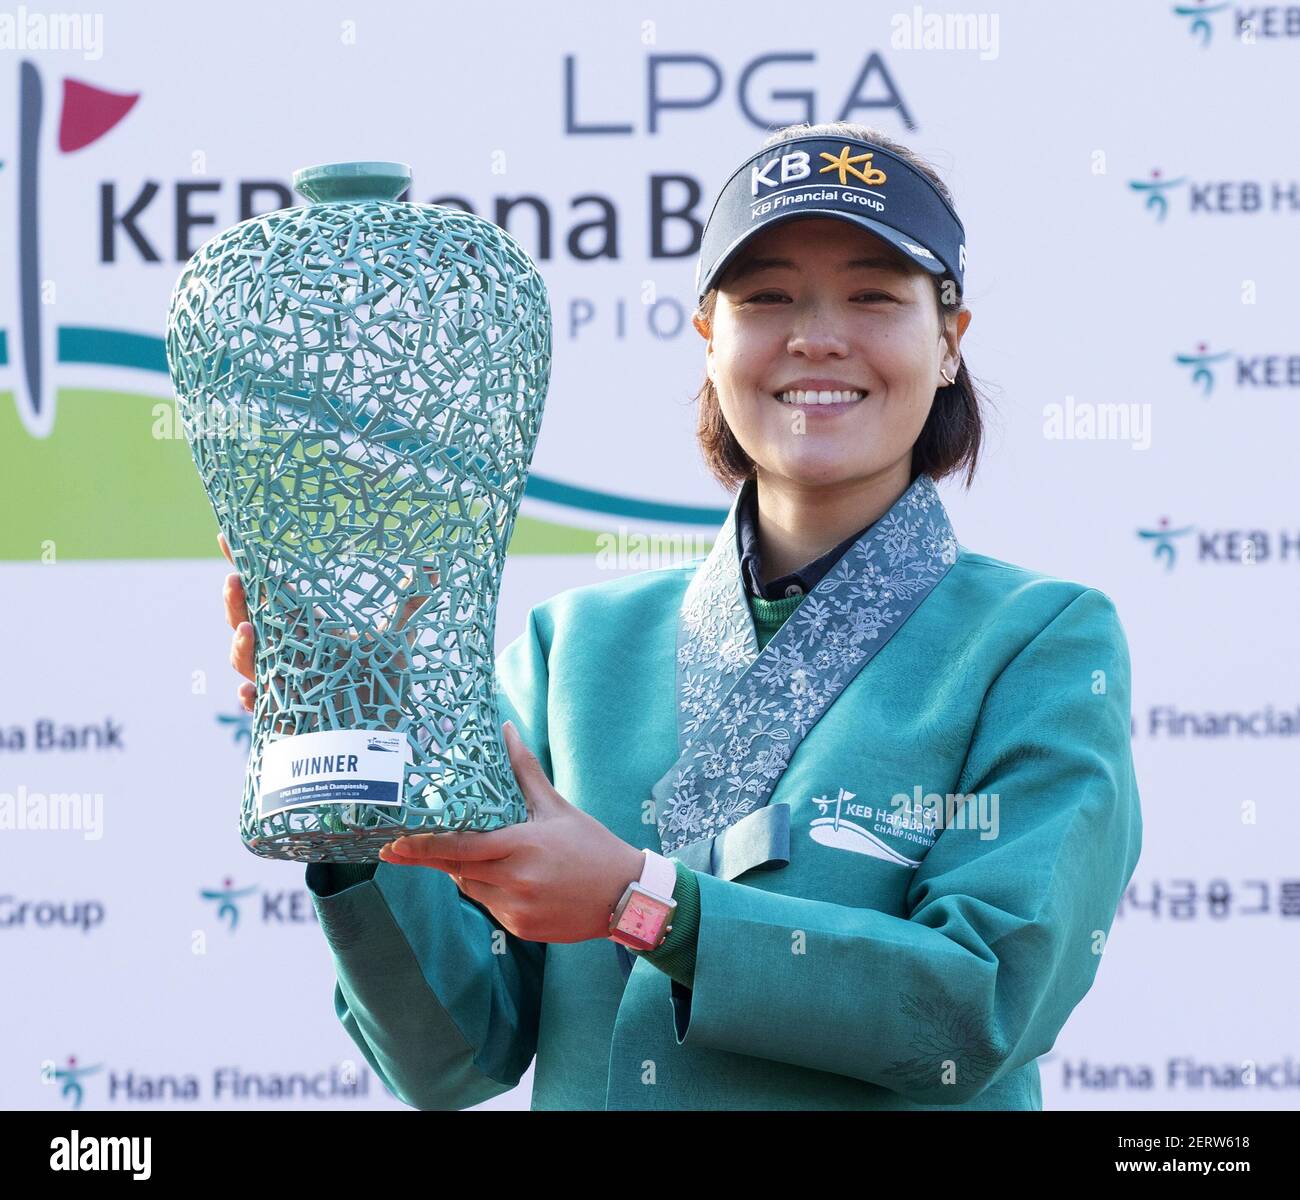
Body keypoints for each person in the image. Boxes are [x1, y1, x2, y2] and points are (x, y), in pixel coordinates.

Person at [220, 121, 1142, 1111]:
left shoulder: (1039, 642)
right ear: (709, 339)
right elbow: (450, 1057)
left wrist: (644, 904)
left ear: (949, 342)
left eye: (873, 294)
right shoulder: (571, 646)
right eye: (766, 297)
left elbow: (978, 1011)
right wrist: (355, 780)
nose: (816, 334)